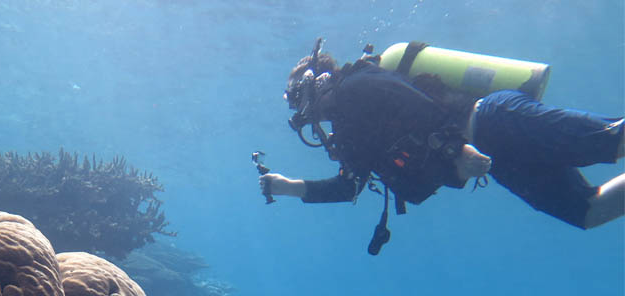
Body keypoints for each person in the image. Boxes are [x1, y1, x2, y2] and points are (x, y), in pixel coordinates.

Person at [260, 40, 625, 253]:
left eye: (296, 95)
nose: (298, 108)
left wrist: (455, 150)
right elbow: (348, 186)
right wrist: (286, 187)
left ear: (316, 80)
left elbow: (417, 106)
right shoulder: (349, 129)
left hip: (494, 120)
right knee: (589, 212)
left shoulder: (358, 85)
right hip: (495, 158)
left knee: (613, 140)